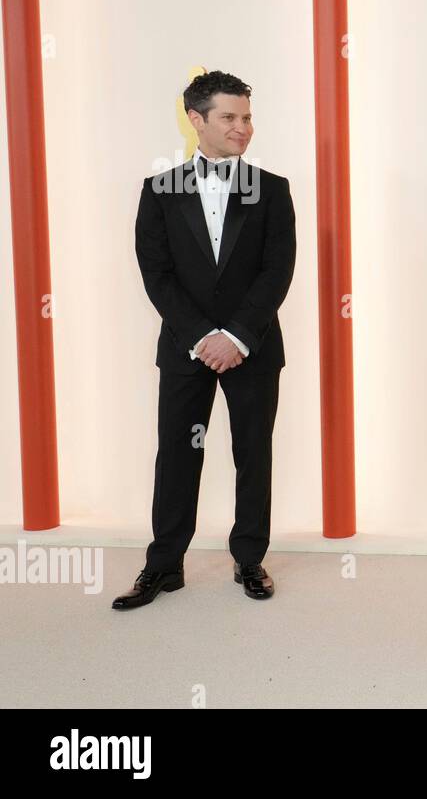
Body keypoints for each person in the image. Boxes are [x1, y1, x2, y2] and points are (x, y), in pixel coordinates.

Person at [113, 70, 296, 609]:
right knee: (176, 455)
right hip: (185, 350)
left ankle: (249, 558)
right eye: (230, 117)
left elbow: (276, 271)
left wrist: (236, 336)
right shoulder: (159, 190)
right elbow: (157, 274)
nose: (243, 128)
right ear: (196, 120)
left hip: (253, 347)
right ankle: (163, 566)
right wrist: (202, 338)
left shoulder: (273, 189)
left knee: (252, 453)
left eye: (247, 118)